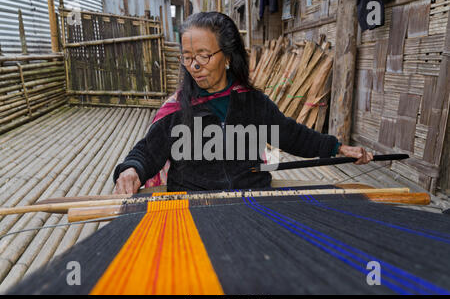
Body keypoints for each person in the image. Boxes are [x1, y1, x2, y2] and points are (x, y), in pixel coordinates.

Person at [113, 12, 373, 194]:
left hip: (252, 201)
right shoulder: (177, 110)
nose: (194, 66)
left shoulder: (253, 103)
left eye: (203, 56)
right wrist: (131, 170)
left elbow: (292, 134)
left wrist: (337, 148)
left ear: (227, 57)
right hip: (192, 206)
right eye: (187, 56)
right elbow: (148, 150)